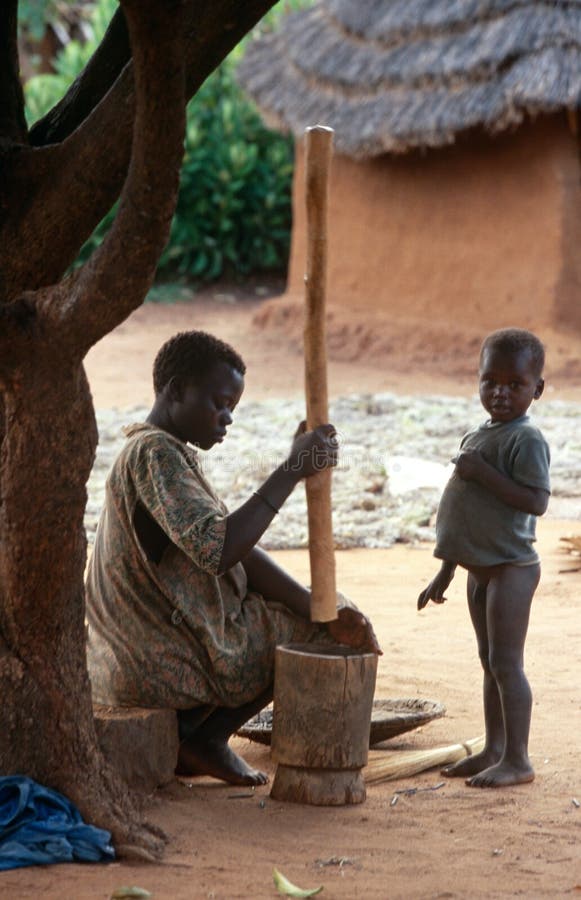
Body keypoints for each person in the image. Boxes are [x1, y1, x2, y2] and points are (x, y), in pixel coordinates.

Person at [86, 330, 380, 787]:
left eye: (233, 409)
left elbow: (236, 548)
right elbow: (220, 549)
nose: (226, 419)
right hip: (150, 660)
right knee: (318, 634)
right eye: (219, 404)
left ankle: (195, 732)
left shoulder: (167, 454)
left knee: (321, 610)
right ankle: (206, 738)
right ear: (177, 389)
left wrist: (310, 602)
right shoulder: (154, 454)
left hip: (147, 648)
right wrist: (290, 471)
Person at [417, 328, 550, 788]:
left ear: (538, 388)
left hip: (511, 569)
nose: (500, 392)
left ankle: (518, 758)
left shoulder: (526, 440)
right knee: (488, 661)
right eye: (490, 381)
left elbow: (536, 501)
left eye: (515, 384)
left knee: (506, 664)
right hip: (479, 569)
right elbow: (468, 516)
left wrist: (484, 473)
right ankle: (494, 748)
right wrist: (445, 571)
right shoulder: (480, 433)